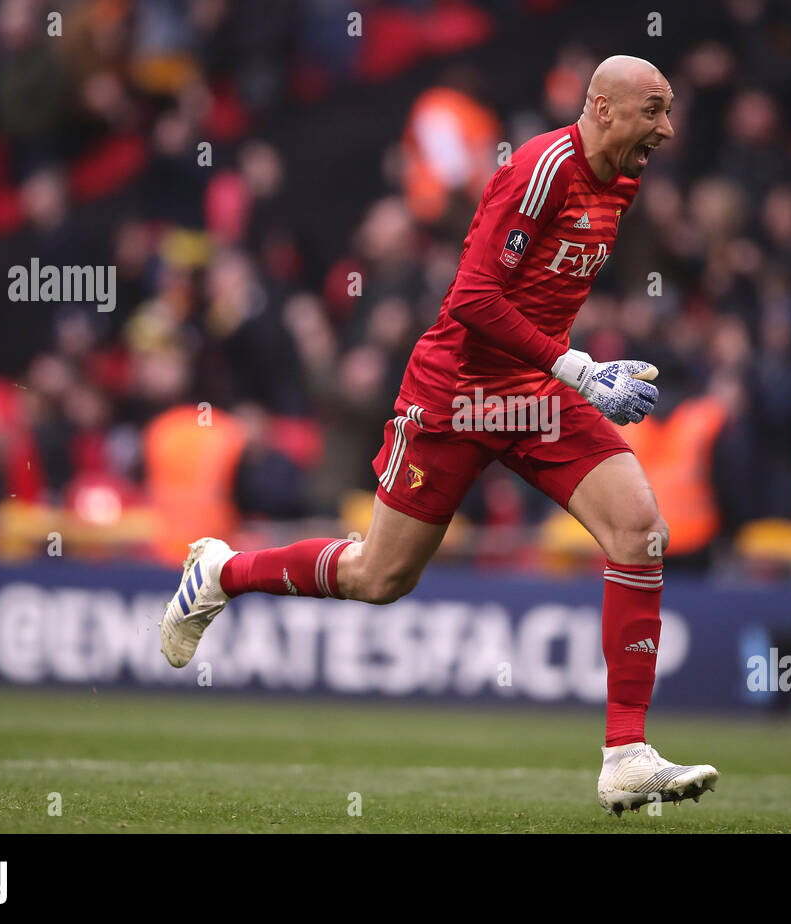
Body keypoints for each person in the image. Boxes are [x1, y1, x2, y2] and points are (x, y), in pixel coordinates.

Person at [158, 55, 717, 816]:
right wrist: (580, 367)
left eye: (670, 109)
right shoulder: (540, 169)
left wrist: (566, 371)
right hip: (456, 395)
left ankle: (625, 754)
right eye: (654, 109)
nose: (668, 128)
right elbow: (473, 297)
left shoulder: (623, 177)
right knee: (379, 578)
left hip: (533, 395)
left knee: (640, 530)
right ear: (603, 108)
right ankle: (222, 574)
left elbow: (543, 289)